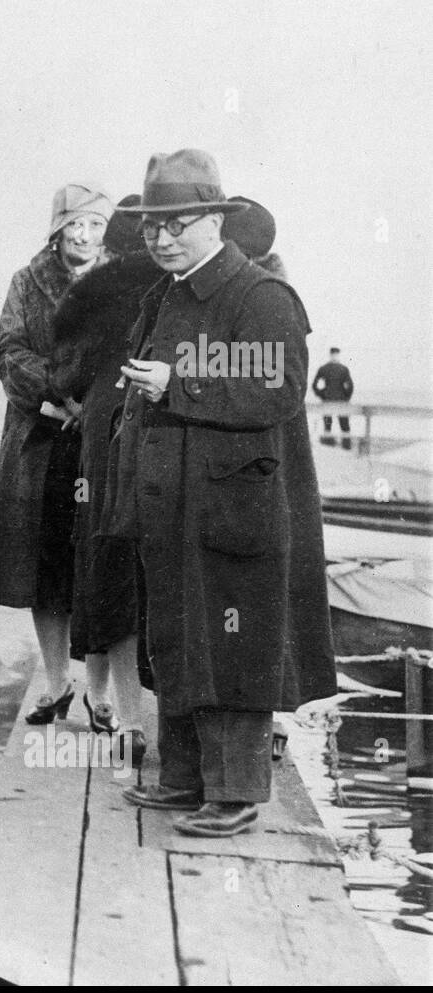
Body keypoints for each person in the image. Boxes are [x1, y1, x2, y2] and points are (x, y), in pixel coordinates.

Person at [103, 149, 336, 837]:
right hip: (173, 503)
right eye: (153, 228)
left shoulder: (260, 295)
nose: (163, 238)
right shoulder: (169, 292)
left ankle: (232, 794)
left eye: (179, 224)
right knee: (177, 635)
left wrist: (176, 385)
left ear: (217, 222)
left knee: (232, 645)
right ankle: (184, 779)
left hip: (236, 506)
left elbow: (277, 391)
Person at [0, 184, 112, 725]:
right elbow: (9, 352)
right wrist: (58, 395)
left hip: (105, 441)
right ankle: (57, 681)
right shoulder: (26, 283)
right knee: (45, 563)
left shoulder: (121, 283)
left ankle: (100, 692)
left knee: (105, 565)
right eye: (73, 226)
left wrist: (98, 403)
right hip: (42, 442)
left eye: (94, 225)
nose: (83, 236)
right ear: (57, 230)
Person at [49, 195, 164, 737]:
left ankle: (117, 712)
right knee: (151, 570)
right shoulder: (177, 284)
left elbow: (65, 371)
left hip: (104, 426)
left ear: (112, 240)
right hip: (162, 428)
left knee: (102, 558)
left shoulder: (92, 292)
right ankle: (147, 715)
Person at [313, 347, 355, 448]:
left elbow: (314, 385)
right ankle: (346, 445)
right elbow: (350, 386)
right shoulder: (343, 369)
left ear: (330, 354)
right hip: (341, 400)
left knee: (328, 423)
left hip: (327, 399)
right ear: (337, 354)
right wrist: (346, 397)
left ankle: (328, 444)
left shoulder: (323, 368)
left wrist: (322, 394)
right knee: (344, 424)